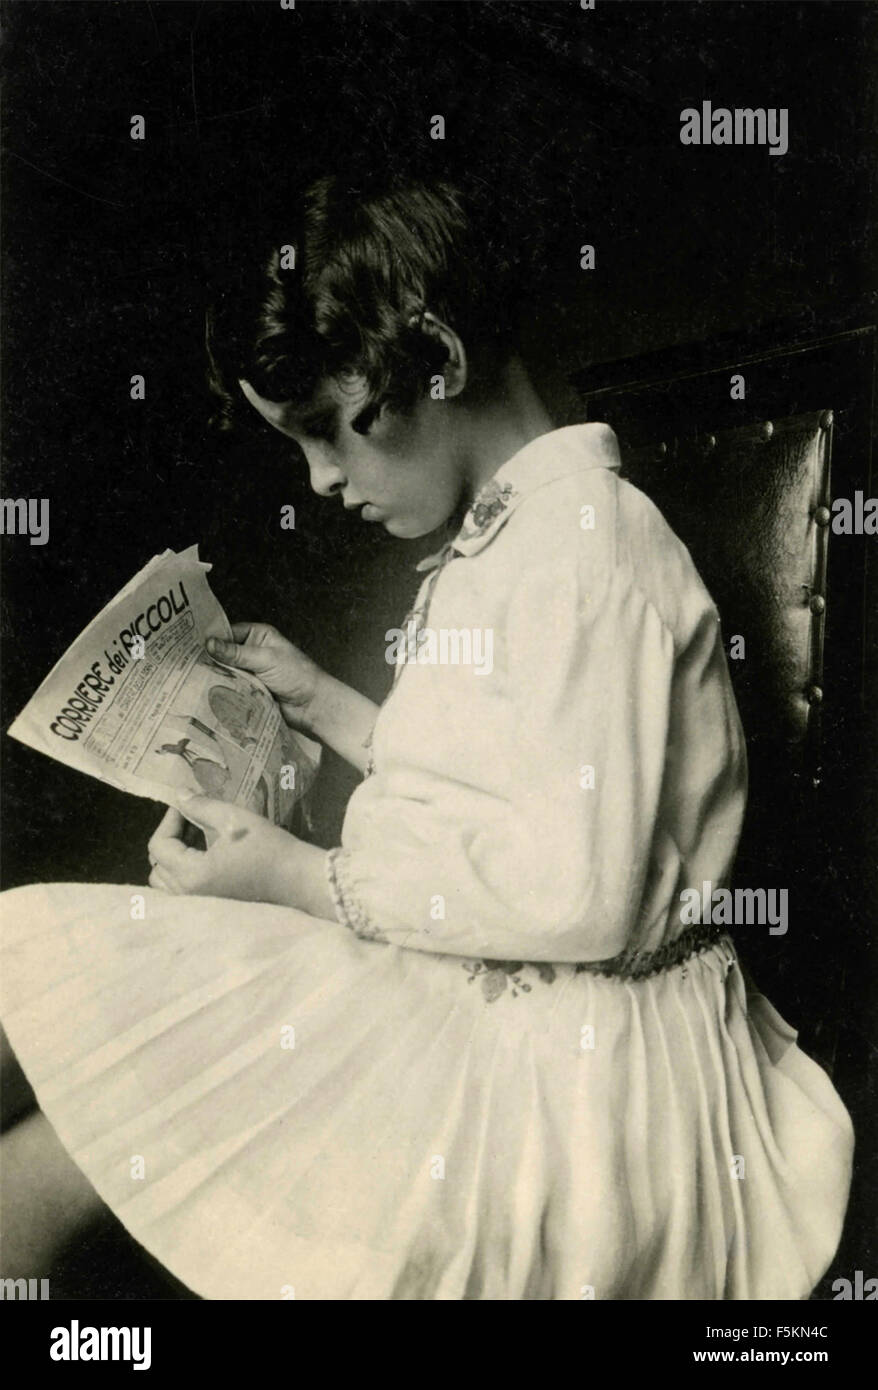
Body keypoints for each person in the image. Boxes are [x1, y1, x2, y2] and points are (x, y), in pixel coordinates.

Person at [0, 173, 853, 1300]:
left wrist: (301, 879)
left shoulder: (588, 552)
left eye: (326, 433)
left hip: (584, 1060)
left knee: (45, 1158)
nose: (319, 479)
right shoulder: (526, 534)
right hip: (507, 979)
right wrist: (321, 704)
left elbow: (578, 897)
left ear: (437, 360)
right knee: (39, 983)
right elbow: (498, 782)